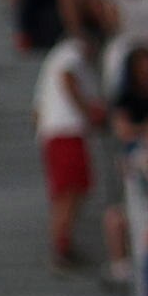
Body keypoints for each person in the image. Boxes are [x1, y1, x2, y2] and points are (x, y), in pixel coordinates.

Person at [33, 23, 104, 272]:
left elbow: (36, 110)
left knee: (69, 192)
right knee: (70, 192)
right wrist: (89, 112)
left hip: (55, 133)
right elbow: (68, 77)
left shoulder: (51, 63)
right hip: (67, 131)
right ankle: (61, 246)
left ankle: (63, 242)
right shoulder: (70, 52)